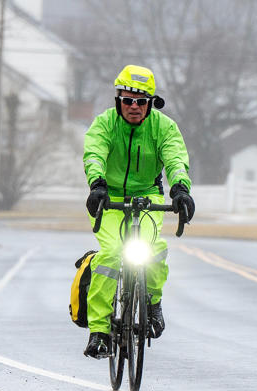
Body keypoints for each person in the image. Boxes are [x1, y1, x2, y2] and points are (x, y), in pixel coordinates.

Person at [82, 64, 195, 359]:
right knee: (110, 255)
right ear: (118, 99)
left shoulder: (164, 127)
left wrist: (180, 189)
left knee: (152, 250)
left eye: (141, 101)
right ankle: (99, 333)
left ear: (151, 103)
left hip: (147, 198)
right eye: (128, 100)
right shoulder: (105, 124)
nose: (134, 106)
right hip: (109, 199)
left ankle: (152, 303)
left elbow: (176, 159)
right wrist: (97, 183)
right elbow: (94, 153)